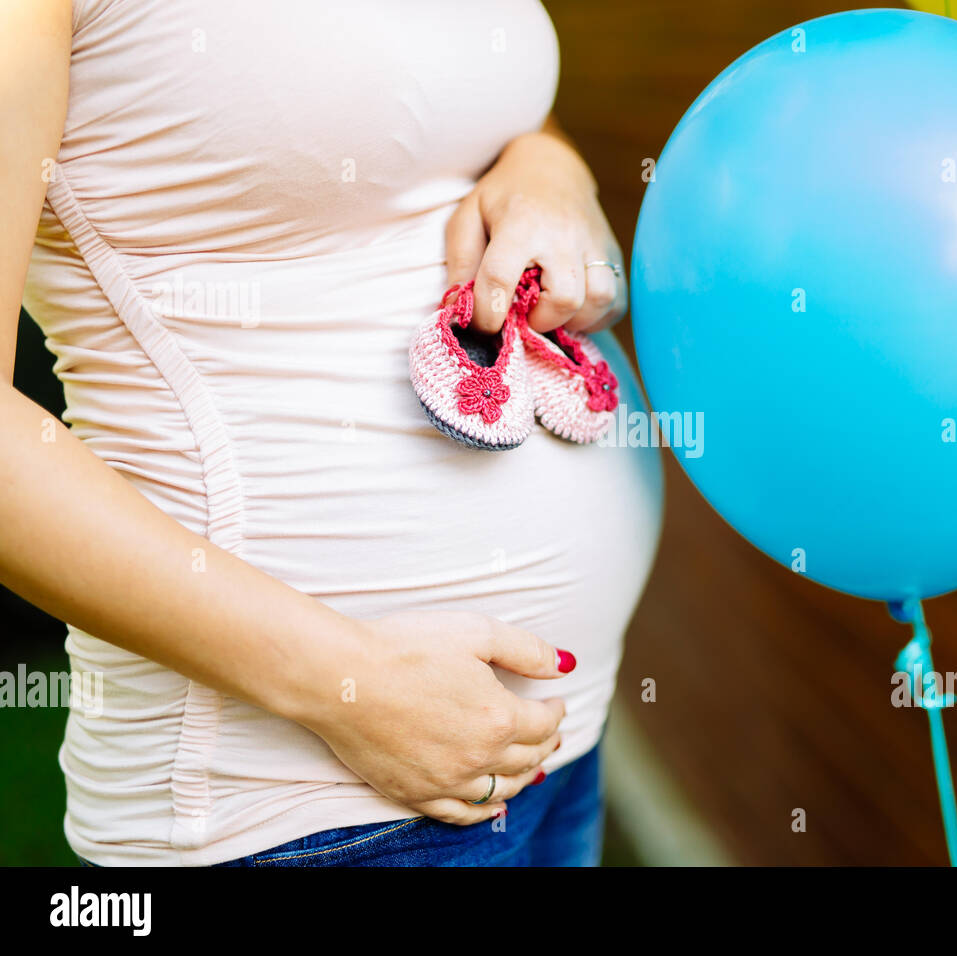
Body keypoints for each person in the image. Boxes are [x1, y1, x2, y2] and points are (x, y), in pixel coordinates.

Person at [1, 0, 662, 866]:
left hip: (549, 749)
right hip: (307, 805)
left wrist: (551, 167)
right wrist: (347, 688)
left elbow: (489, 106)